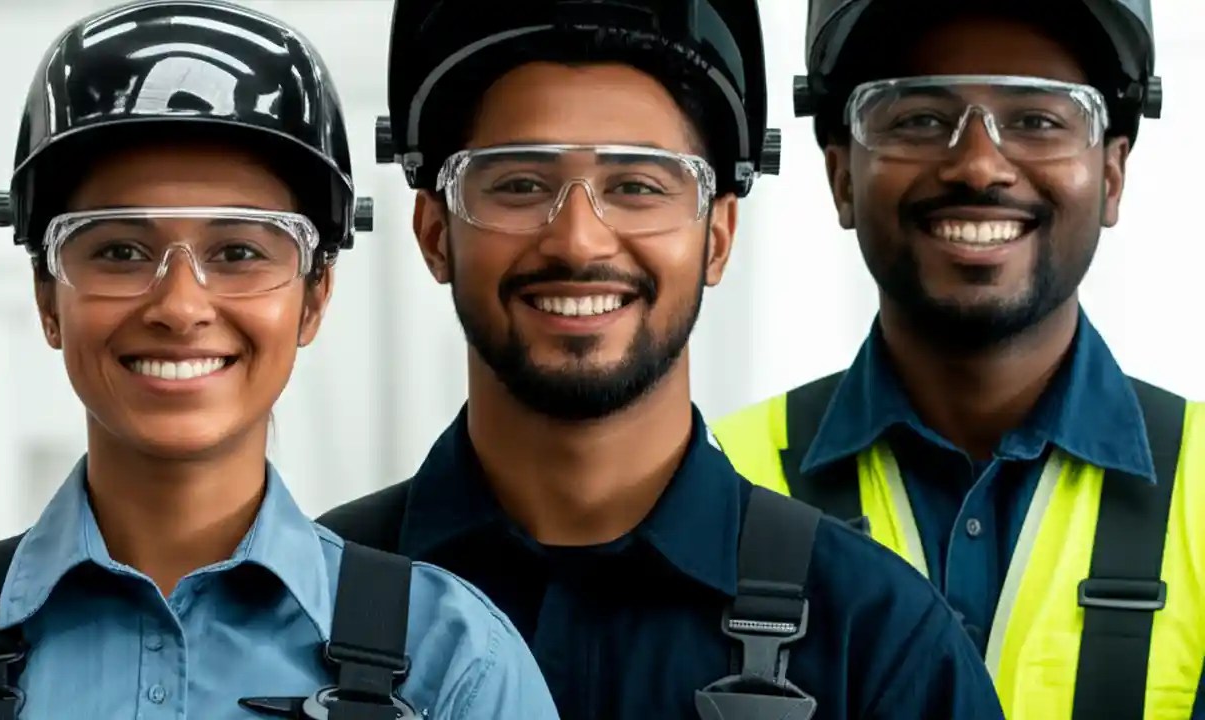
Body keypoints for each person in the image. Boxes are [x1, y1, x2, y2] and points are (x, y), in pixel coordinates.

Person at [318, 2, 1006, 719]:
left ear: (717, 237)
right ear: (434, 233)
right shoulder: (299, 602)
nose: (579, 242)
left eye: (638, 186)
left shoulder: (875, 637)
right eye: (520, 184)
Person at [0, 2, 559, 719]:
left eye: (239, 252)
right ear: (48, 296)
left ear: (314, 296)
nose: (180, 306)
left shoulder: (452, 667)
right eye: (119, 251)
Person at [709, 1, 1205, 719]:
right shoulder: (722, 478)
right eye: (918, 118)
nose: (977, 164)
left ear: (1113, 176)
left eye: (1037, 118)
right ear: (841, 176)